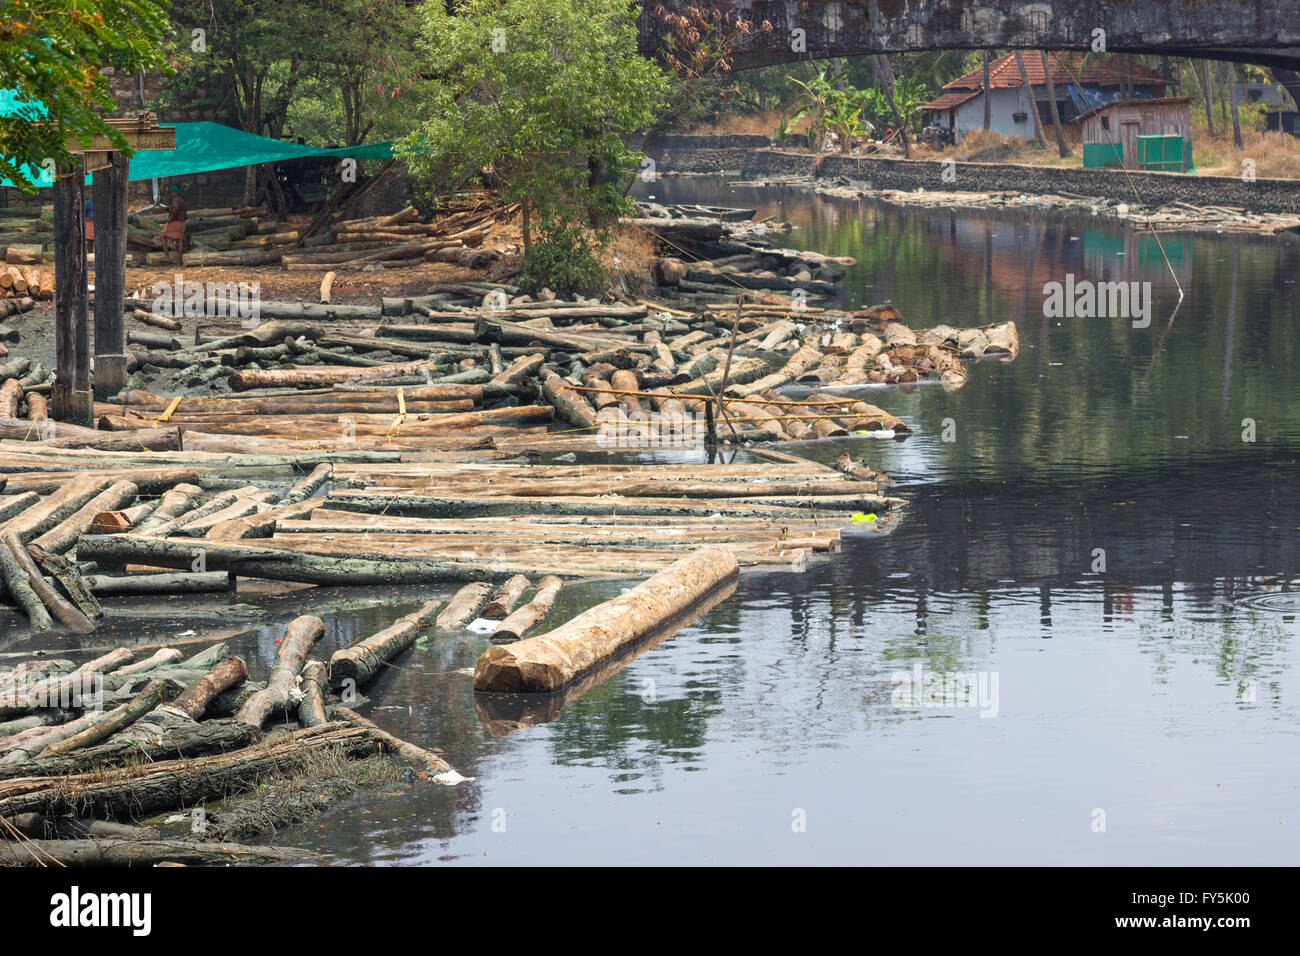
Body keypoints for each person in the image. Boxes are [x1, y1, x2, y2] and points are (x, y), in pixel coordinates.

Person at [160, 185, 187, 265]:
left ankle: (167, 257)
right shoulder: (182, 200)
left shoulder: (175, 200)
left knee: (162, 236)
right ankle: (179, 261)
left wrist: (168, 222)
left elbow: (174, 212)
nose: (172, 194)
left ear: (176, 192)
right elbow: (179, 210)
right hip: (182, 223)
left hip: (176, 222)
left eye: (173, 192)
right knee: (180, 240)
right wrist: (169, 208)